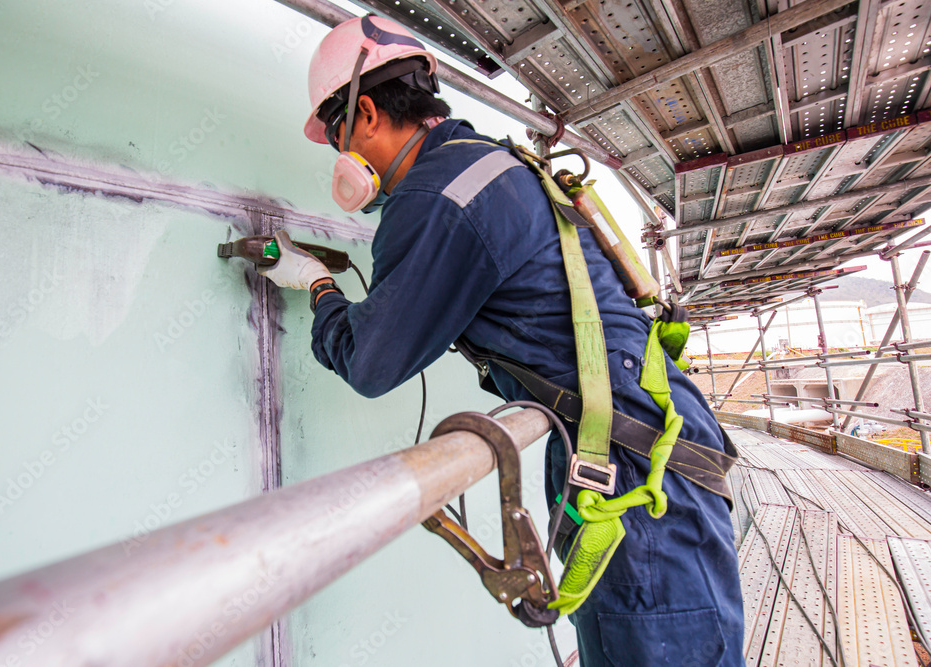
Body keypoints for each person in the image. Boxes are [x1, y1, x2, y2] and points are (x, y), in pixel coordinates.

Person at [261, 14, 745, 667]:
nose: (339, 157)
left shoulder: (434, 195)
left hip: (632, 465)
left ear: (365, 114)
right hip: (635, 443)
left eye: (335, 137)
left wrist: (318, 285)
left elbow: (370, 361)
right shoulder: (491, 163)